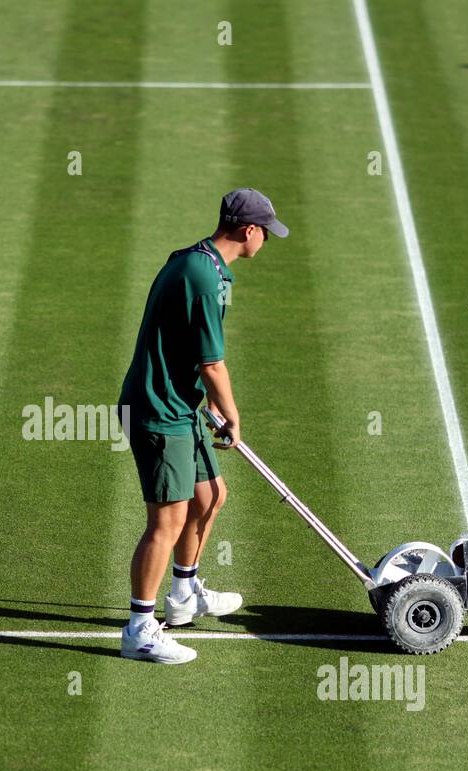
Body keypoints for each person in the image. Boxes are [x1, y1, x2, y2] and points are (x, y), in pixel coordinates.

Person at [116, 188, 288, 664]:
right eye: (266, 233)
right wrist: (231, 414)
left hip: (178, 405)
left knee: (211, 495)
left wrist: (205, 404)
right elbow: (212, 363)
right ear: (248, 231)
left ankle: (184, 593)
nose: (267, 242)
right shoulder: (203, 275)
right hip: (157, 411)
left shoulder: (202, 263)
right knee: (166, 521)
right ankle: (139, 629)